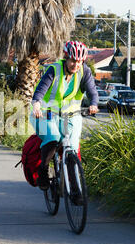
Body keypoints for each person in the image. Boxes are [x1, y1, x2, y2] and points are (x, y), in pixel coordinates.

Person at [31, 41, 99, 191]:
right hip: (46, 112)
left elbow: (92, 92)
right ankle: (43, 170)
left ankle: (75, 189)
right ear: (66, 58)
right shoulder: (53, 70)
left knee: (73, 148)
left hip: (71, 115)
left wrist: (93, 104)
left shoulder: (84, 72)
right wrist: (36, 104)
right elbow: (40, 91)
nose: (76, 64)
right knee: (53, 137)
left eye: (79, 61)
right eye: (73, 60)